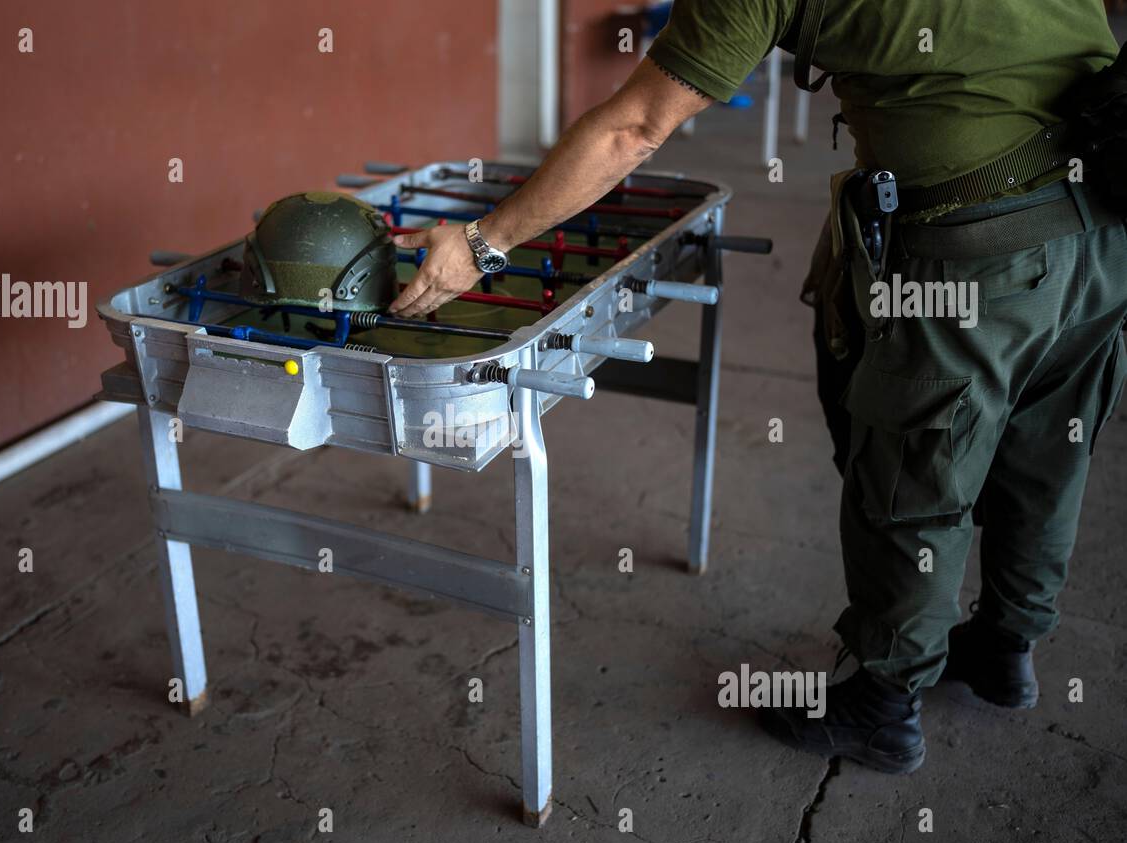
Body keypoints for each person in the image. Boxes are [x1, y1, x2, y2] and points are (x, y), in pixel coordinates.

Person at [390, 0, 1126, 774]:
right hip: (1105, 230)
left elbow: (632, 129)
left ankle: (883, 703)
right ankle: (1007, 649)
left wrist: (482, 244)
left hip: (980, 257)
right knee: (1049, 449)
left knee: (919, 469)